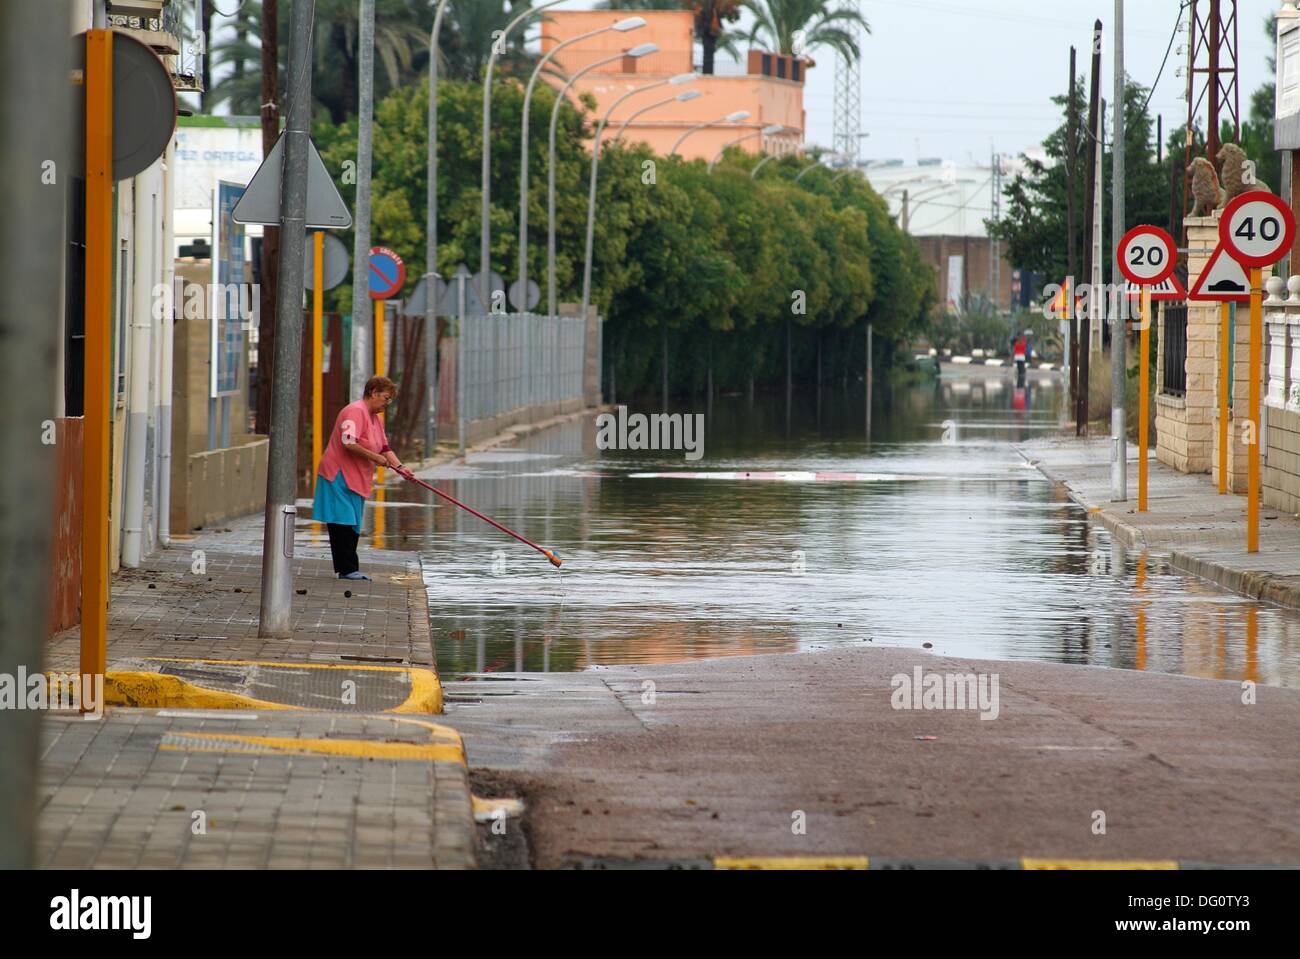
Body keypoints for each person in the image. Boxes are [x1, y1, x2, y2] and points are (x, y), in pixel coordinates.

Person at [312, 375, 413, 580]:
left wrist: (400, 467)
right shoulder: (354, 411)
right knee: (343, 521)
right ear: (373, 393)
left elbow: (384, 448)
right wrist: (376, 458)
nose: (387, 403)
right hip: (338, 474)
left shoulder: (376, 419)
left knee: (354, 523)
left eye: (390, 400)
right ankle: (347, 569)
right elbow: (349, 443)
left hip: (357, 477)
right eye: (386, 398)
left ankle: (350, 569)